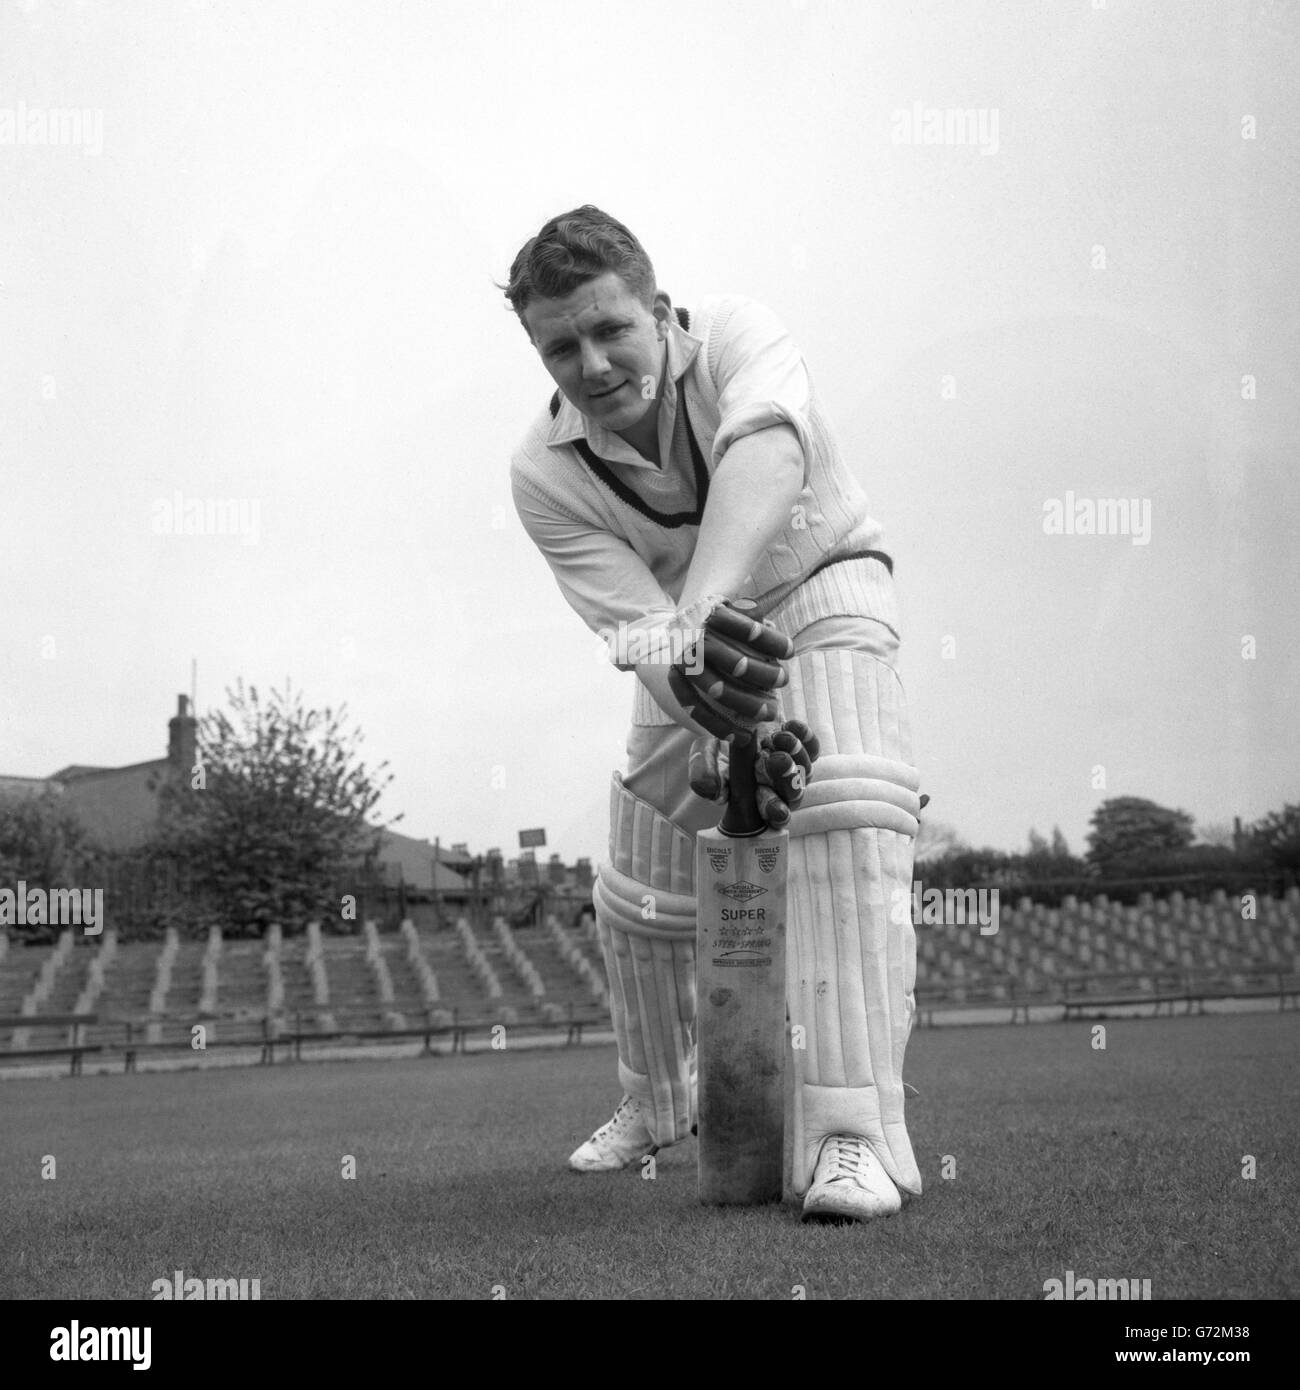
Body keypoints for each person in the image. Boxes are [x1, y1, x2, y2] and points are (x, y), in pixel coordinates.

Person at [504, 206, 924, 1220]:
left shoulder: (739, 332)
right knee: (640, 874)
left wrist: (707, 613)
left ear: (660, 309)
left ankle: (850, 1130)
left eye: (611, 329)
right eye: (562, 345)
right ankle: (658, 1101)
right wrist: (696, 678)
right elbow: (632, 626)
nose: (593, 362)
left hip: (819, 584)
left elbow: (771, 453)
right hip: (686, 649)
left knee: (838, 812)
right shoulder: (543, 472)